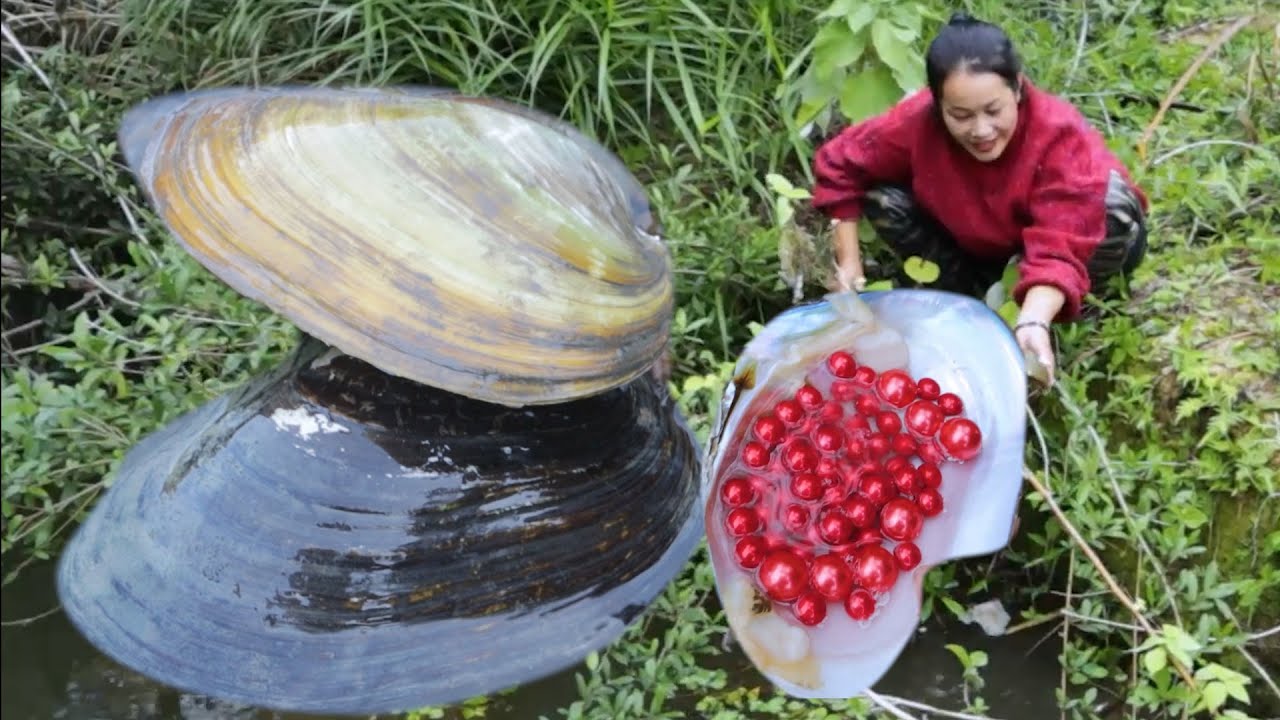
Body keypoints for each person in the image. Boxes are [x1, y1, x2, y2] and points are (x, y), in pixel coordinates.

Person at [811, 12, 1149, 385]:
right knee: (884, 199)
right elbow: (840, 162)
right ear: (937, 103)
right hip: (982, 244)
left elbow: (1060, 244)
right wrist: (849, 264)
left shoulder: (1058, 134)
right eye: (961, 115)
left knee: (1111, 204)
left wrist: (1033, 321)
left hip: (1072, 243)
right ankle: (964, 297)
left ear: (1017, 89)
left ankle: (1068, 306)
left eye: (993, 111)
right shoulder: (918, 123)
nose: (981, 130)